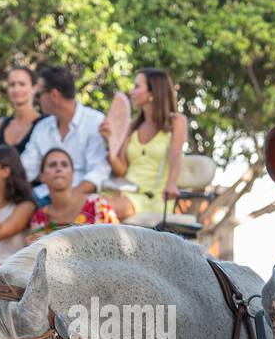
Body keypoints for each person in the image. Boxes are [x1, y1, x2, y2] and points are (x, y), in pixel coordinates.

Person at [100, 68, 188, 219]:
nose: (131, 91)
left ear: (153, 93)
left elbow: (175, 157)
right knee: (80, 206)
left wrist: (172, 184)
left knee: (99, 209)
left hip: (152, 198)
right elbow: (122, 170)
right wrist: (111, 141)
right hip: (123, 193)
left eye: (137, 86)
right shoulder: (132, 126)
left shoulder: (176, 121)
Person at [20, 65, 109, 194]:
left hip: (82, 197)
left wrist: (70, 199)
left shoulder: (95, 122)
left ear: (54, 95)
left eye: (38, 95)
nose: (36, 100)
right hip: (45, 195)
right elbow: (27, 168)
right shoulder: (42, 127)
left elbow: (99, 171)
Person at [26, 148, 118, 242]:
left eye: (64, 165)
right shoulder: (39, 217)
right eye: (52, 165)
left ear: (72, 174)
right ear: (42, 177)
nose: (59, 168)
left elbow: (117, 242)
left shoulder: (97, 205)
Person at [0, 65, 42, 155]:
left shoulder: (44, 124)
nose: (16, 89)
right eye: (12, 85)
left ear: (34, 88)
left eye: (22, 84)